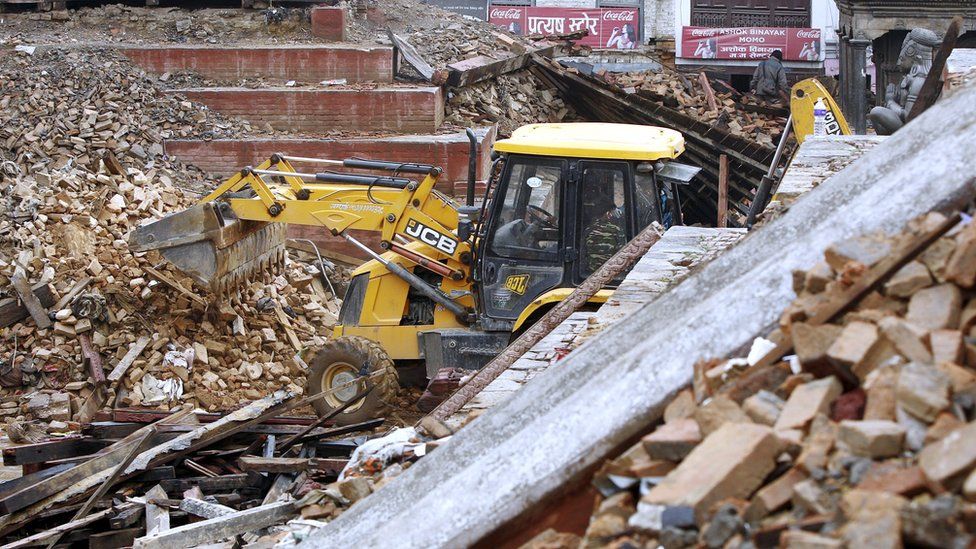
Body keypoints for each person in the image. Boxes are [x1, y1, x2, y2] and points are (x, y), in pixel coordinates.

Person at [581, 184, 626, 274]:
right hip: (610, 274)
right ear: (607, 213)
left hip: (590, 274)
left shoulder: (588, 230)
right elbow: (622, 255)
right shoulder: (617, 231)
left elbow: (583, 254)